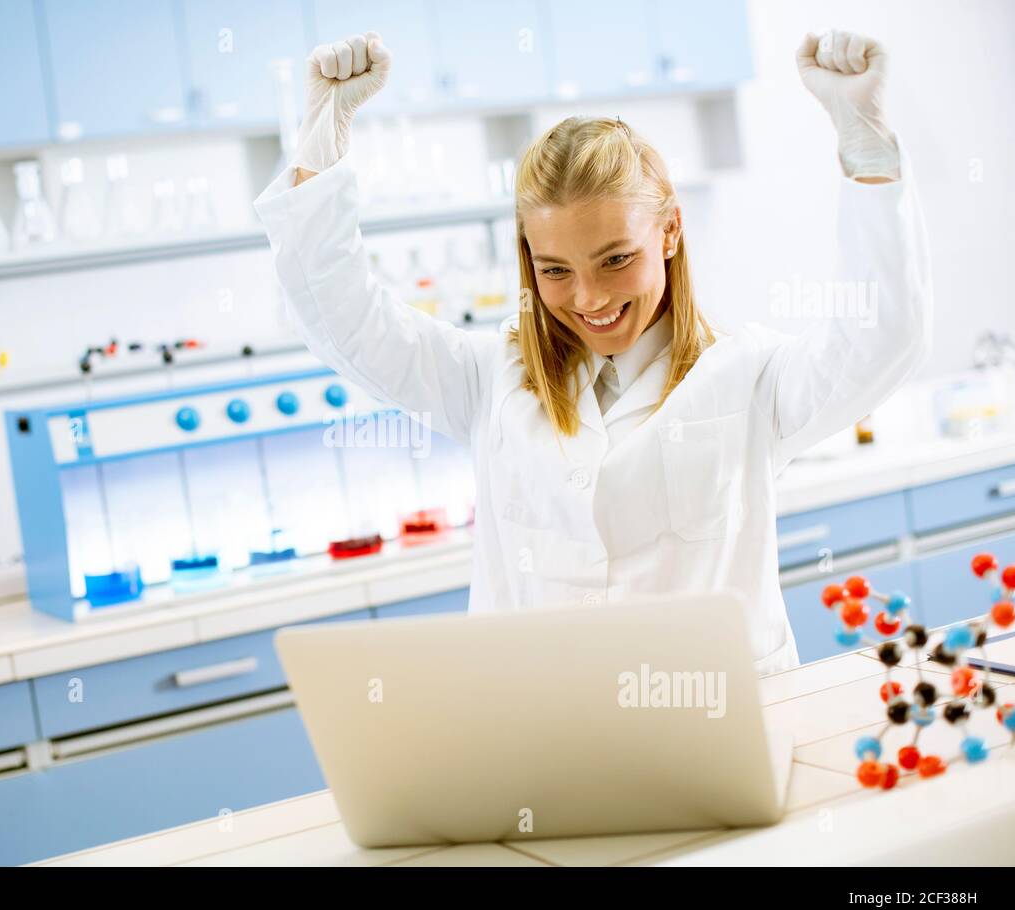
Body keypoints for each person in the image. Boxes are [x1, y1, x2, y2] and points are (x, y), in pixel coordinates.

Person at [252, 29, 932, 675]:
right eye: (554, 270)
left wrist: (867, 152)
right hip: (544, 754)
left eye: (615, 258)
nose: (588, 297)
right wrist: (318, 151)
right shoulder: (486, 380)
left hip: (711, 740)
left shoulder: (749, 378)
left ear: (670, 231)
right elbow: (344, 318)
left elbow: (881, 338)